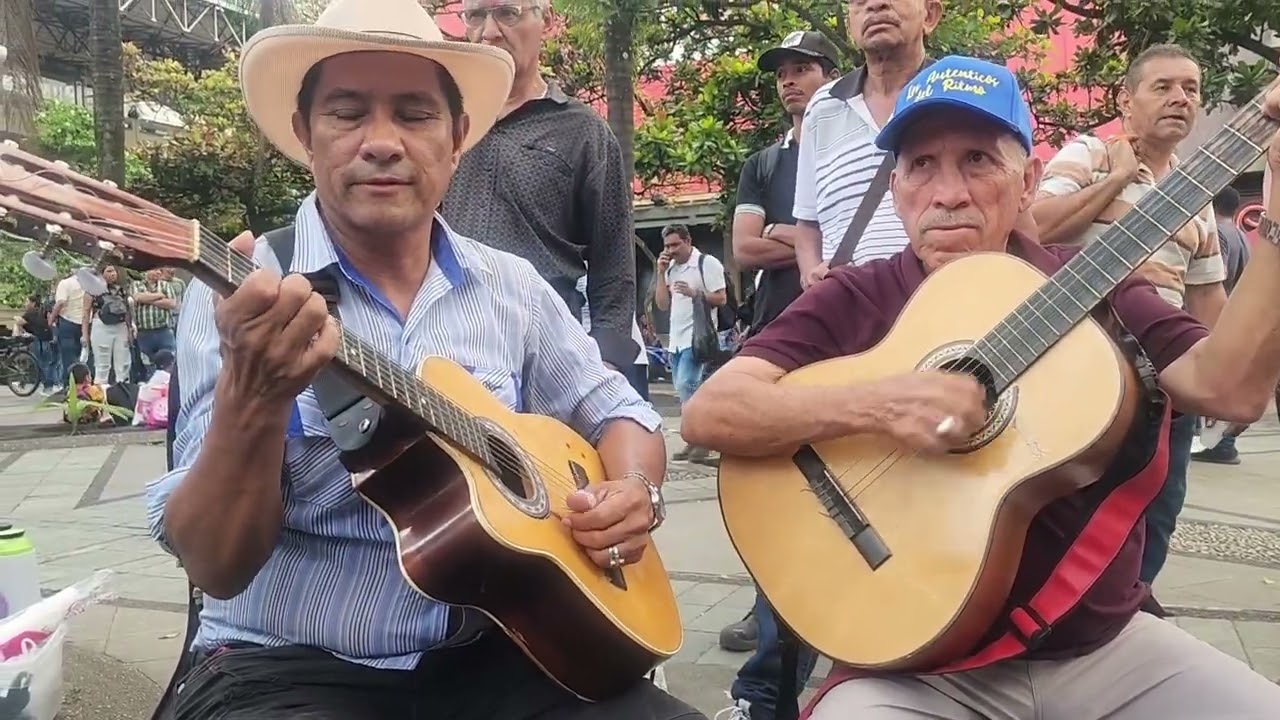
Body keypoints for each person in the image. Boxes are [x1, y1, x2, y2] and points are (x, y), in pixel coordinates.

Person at [144, 2, 700, 719]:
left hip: (507, 647)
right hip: (289, 667)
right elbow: (216, 563)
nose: (382, 142)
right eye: (347, 114)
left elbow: (619, 410)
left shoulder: (513, 288)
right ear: (304, 135)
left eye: (414, 114)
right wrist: (255, 398)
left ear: (458, 137)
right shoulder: (249, 292)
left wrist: (632, 491)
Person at [681, 54, 1280, 718]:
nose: (948, 193)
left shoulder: (1100, 287)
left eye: (977, 161)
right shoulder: (857, 295)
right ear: (896, 188)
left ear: (1027, 181)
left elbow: (1231, 391)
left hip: (1101, 649)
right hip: (915, 670)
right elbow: (711, 412)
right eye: (921, 166)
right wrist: (879, 402)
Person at [1032, 44, 1227, 585]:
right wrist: (1116, 181)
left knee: (1156, 519)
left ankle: (1126, 622)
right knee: (1073, 515)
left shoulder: (1197, 189)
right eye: (1162, 87)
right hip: (1081, 376)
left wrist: (1221, 376)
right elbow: (1034, 229)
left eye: (1190, 89)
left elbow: (1206, 296)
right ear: (1126, 99)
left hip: (1161, 390)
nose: (1179, 99)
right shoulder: (1089, 153)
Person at [717, 29, 840, 720]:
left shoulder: (857, 149)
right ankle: (769, 683)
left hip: (855, 341)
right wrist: (804, 237)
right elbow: (742, 246)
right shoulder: (765, 161)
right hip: (777, 342)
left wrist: (788, 235)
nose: (792, 81)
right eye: (783, 73)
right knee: (775, 496)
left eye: (805, 69)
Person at [443, 0, 639, 371]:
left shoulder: (583, 132)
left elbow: (613, 259)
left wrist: (607, 363)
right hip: (446, 345)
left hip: (546, 353)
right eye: (476, 16)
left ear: (546, 20)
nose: (489, 32)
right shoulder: (442, 123)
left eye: (507, 13)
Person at [792, 0, 942, 289]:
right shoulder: (822, 108)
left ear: (930, 14)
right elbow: (808, 224)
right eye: (859, 1)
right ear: (850, 25)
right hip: (854, 313)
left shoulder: (962, 95)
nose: (875, 5)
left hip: (947, 299)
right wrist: (812, 275)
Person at [654, 223, 727, 464]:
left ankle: (704, 439)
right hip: (676, 339)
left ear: (687, 241)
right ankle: (695, 439)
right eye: (667, 246)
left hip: (697, 337)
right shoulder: (671, 269)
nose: (671, 250)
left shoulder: (707, 263)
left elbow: (722, 298)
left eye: (675, 244)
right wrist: (660, 272)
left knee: (688, 386)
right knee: (684, 391)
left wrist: (696, 293)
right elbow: (662, 305)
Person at [1191, 187, 1252, 465]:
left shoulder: (1219, 236)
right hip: (1231, 314)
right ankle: (1222, 443)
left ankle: (1219, 444)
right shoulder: (1243, 236)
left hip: (1213, 316)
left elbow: (1213, 279)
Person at [83, 265, 134, 385]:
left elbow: (127, 311)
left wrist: (130, 328)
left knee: (123, 364)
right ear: (102, 273)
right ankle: (101, 393)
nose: (113, 274)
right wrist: (84, 335)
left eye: (114, 271)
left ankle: (123, 391)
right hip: (101, 326)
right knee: (102, 365)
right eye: (109, 271)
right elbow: (85, 313)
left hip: (121, 327)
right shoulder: (92, 290)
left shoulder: (122, 291)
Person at [18, 294, 58, 394]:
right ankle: (50, 384)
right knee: (49, 362)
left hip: (37, 339)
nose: (25, 304)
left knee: (40, 362)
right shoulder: (42, 311)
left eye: (27, 301)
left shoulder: (29, 313)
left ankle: (47, 385)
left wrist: (21, 332)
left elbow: (20, 322)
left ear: (33, 303)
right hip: (47, 338)